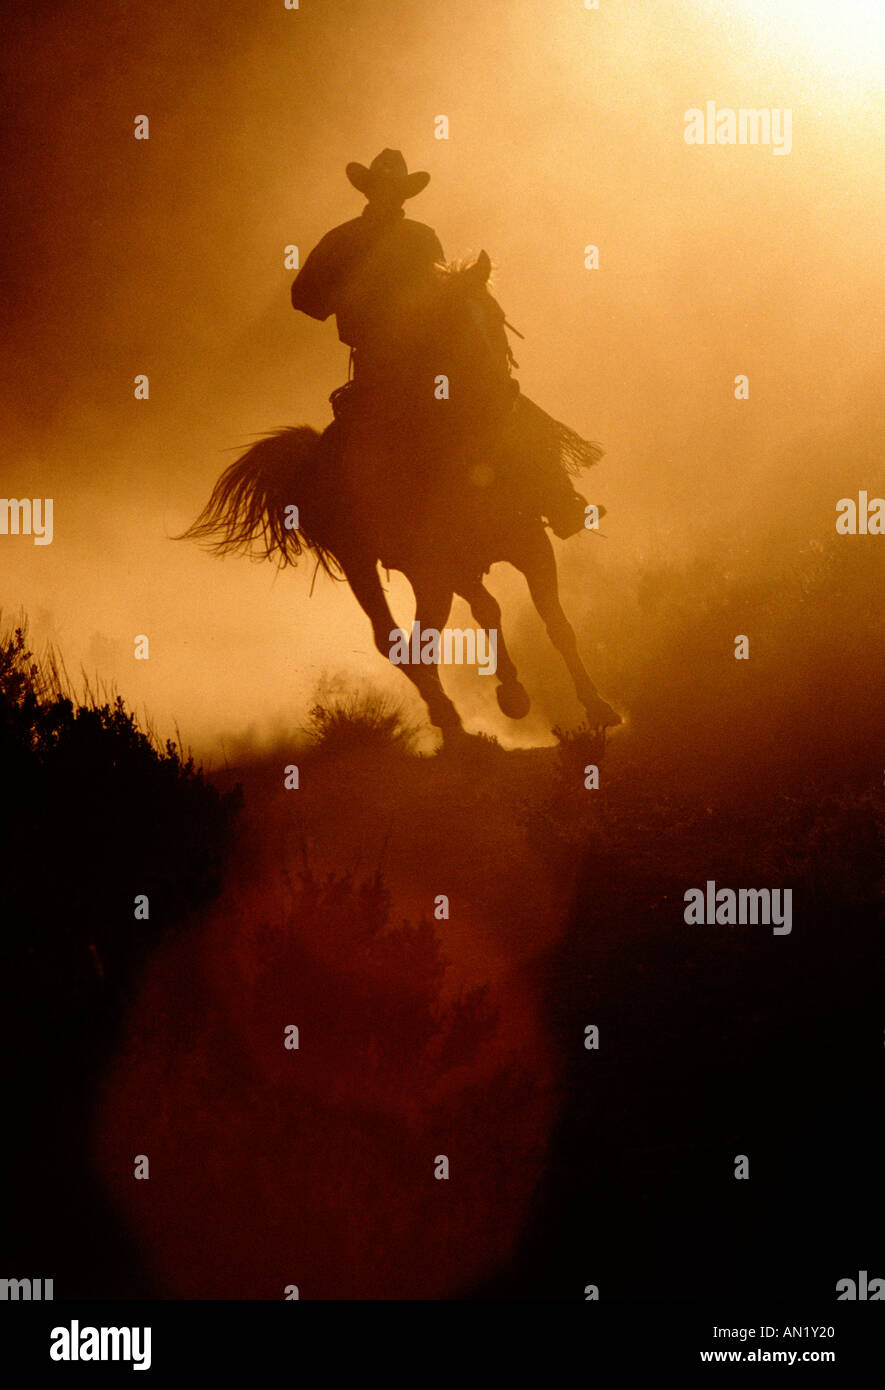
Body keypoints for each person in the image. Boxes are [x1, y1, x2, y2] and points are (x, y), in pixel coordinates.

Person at [291, 150, 594, 538]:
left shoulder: (397, 237)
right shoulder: (369, 238)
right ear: (372, 192)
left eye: (394, 191)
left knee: (509, 404)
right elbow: (304, 297)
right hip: (387, 364)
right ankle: (559, 504)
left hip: (423, 358)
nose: (390, 197)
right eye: (385, 189)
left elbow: (442, 294)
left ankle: (559, 504)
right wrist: (350, 300)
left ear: (400, 195)